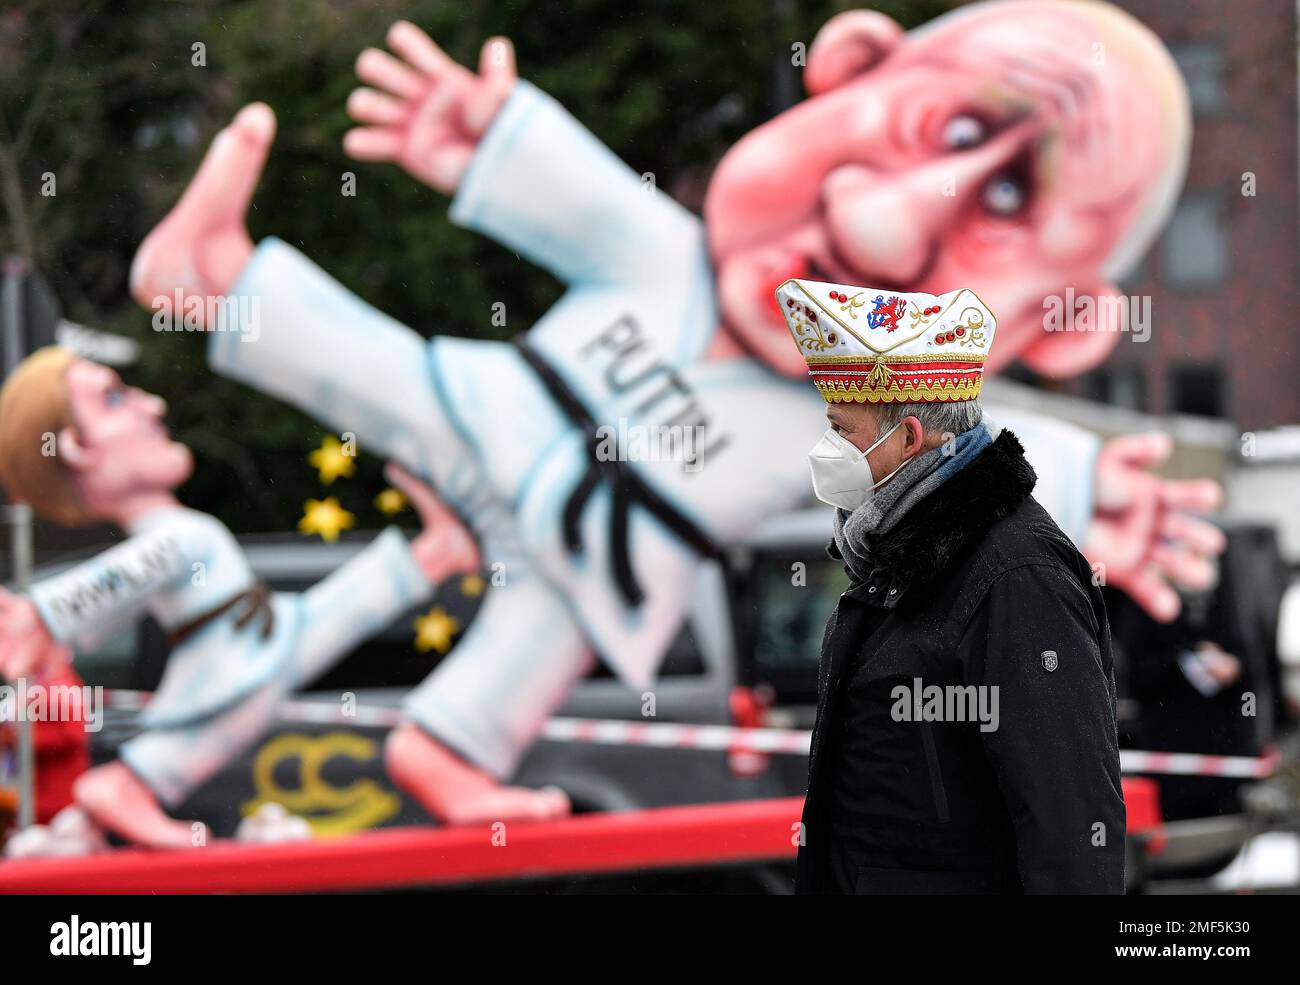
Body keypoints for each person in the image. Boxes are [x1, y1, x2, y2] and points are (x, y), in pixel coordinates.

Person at [126, 1, 1218, 824]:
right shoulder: (663, 257)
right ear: (844, 71)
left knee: (538, 626)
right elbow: (574, 186)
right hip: (498, 414)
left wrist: (1081, 485)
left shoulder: (837, 415)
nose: (878, 227)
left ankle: (449, 748)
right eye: (941, 129)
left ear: (1048, 329)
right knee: (389, 371)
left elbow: (960, 462)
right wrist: (481, 134)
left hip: (609, 553)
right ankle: (210, 277)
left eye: (1005, 208)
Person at [0, 349, 479, 847]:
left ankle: (436, 553)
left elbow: (118, 583)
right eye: (114, 399)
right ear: (76, 447)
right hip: (235, 658)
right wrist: (45, 614)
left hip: (262, 634)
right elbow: (119, 578)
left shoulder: (180, 531)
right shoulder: (174, 539)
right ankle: (126, 784)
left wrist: (47, 616)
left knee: (335, 616)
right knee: (237, 708)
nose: (153, 405)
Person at [776, 278, 1125, 893]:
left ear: (909, 437)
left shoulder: (1019, 576)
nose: (827, 450)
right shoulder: (897, 555)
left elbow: (1070, 818)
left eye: (843, 430)